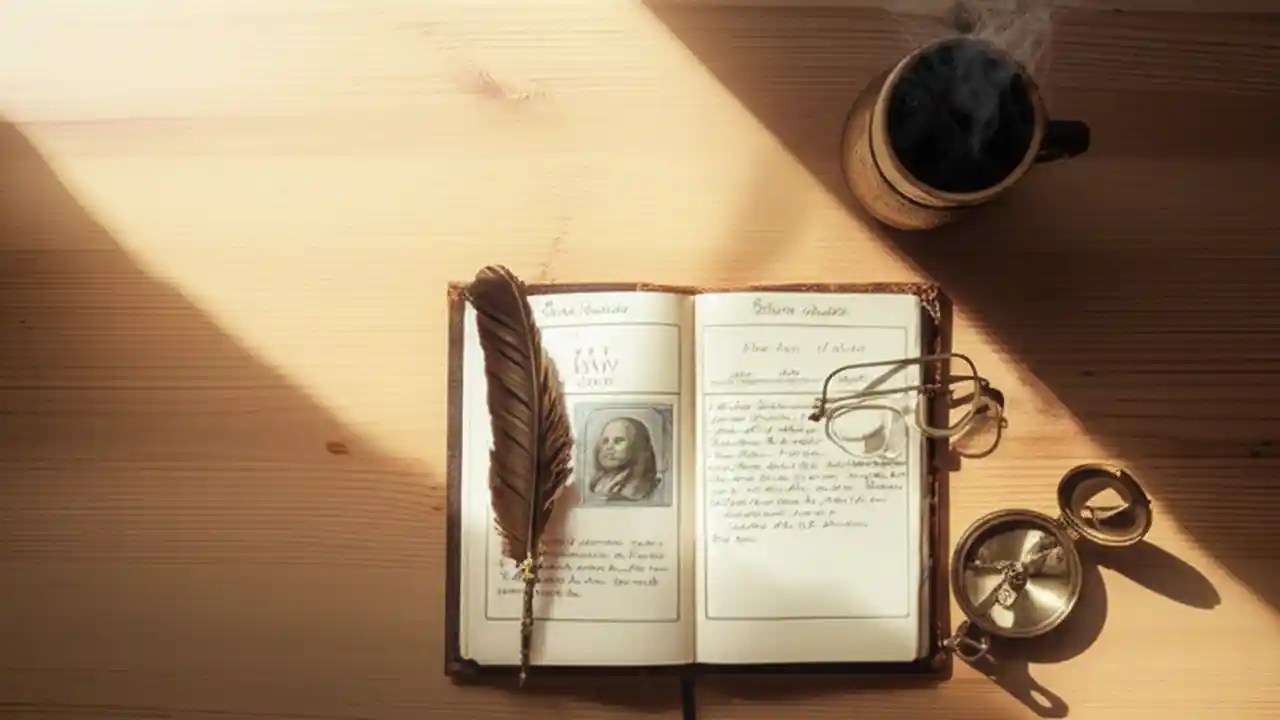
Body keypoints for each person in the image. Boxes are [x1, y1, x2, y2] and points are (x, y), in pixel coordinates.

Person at [587, 416, 660, 502]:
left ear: (637, 446)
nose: (609, 447)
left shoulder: (645, 488)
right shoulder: (597, 484)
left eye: (618, 441)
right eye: (605, 441)